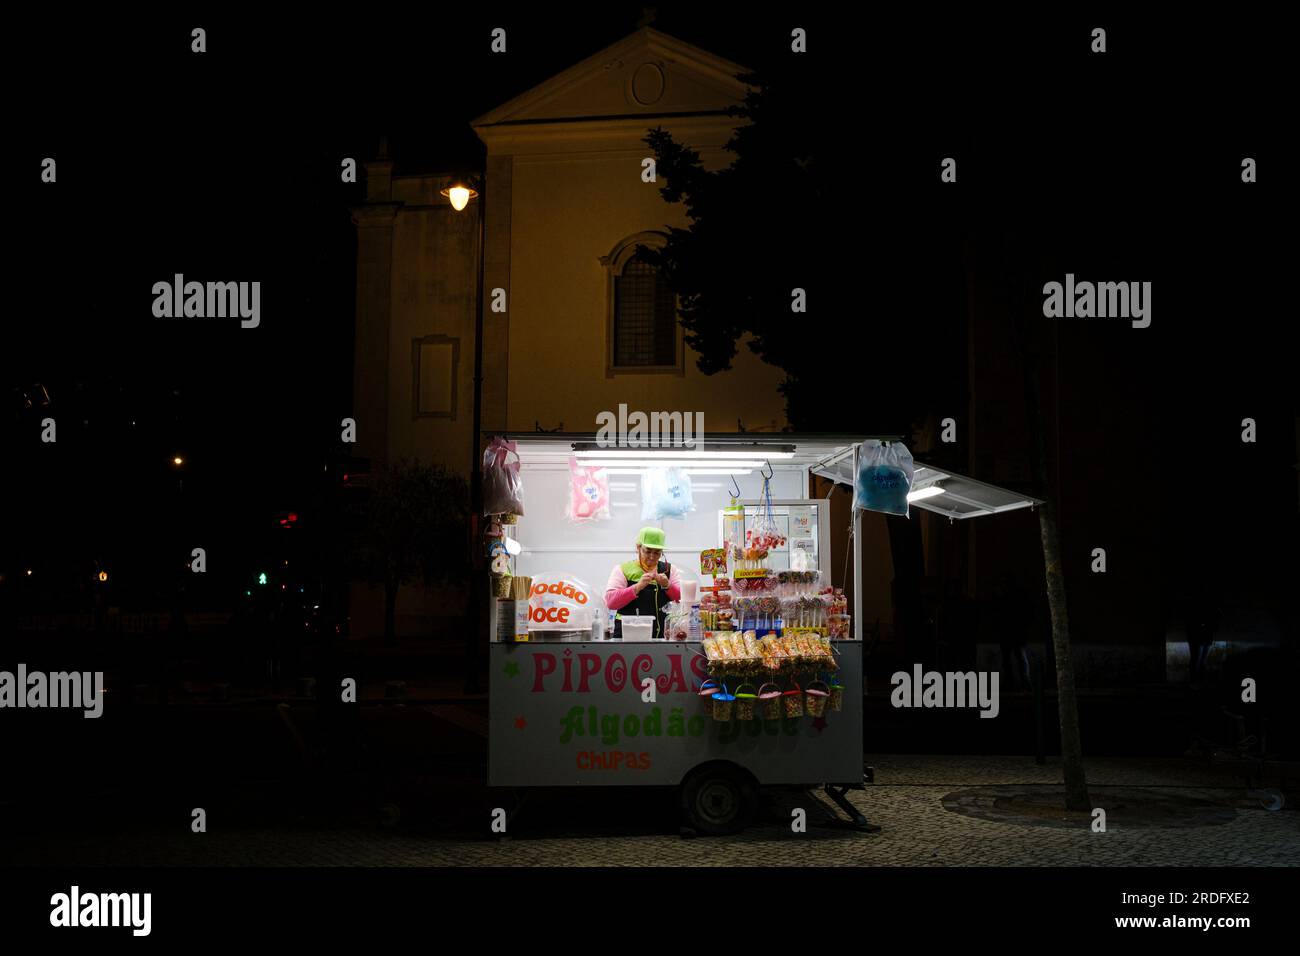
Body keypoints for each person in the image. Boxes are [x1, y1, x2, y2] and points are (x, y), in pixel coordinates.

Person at [604, 527, 681, 639]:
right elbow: (611, 602)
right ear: (638, 548)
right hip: (627, 635)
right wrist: (637, 587)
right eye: (647, 551)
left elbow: (682, 599)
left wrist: (667, 585)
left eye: (657, 553)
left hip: (662, 636)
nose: (651, 556)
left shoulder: (670, 570)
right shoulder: (623, 569)